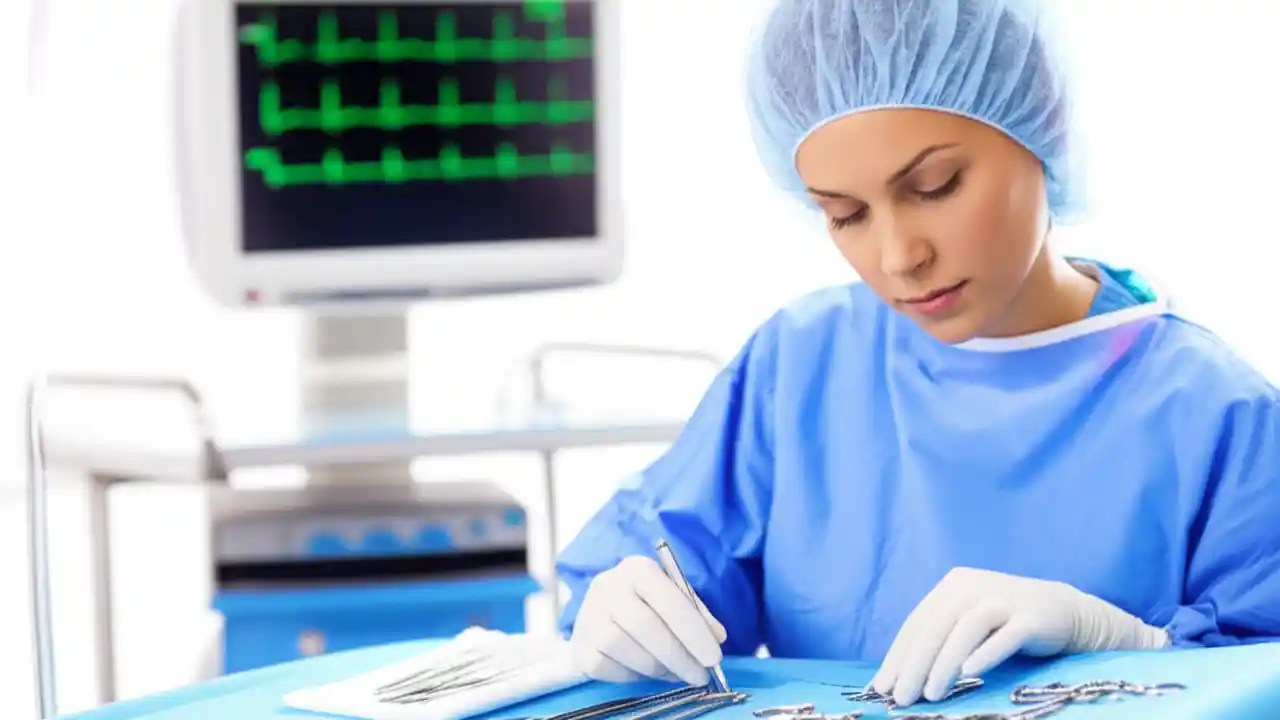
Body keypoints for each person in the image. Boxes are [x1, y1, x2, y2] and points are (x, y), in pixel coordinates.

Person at [555, 0, 1280, 709]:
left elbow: (1263, 668)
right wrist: (624, 609)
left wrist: (1130, 645)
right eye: (845, 214)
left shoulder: (1216, 413)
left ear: (1045, 120)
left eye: (935, 187)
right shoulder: (802, 365)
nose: (899, 257)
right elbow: (665, 573)